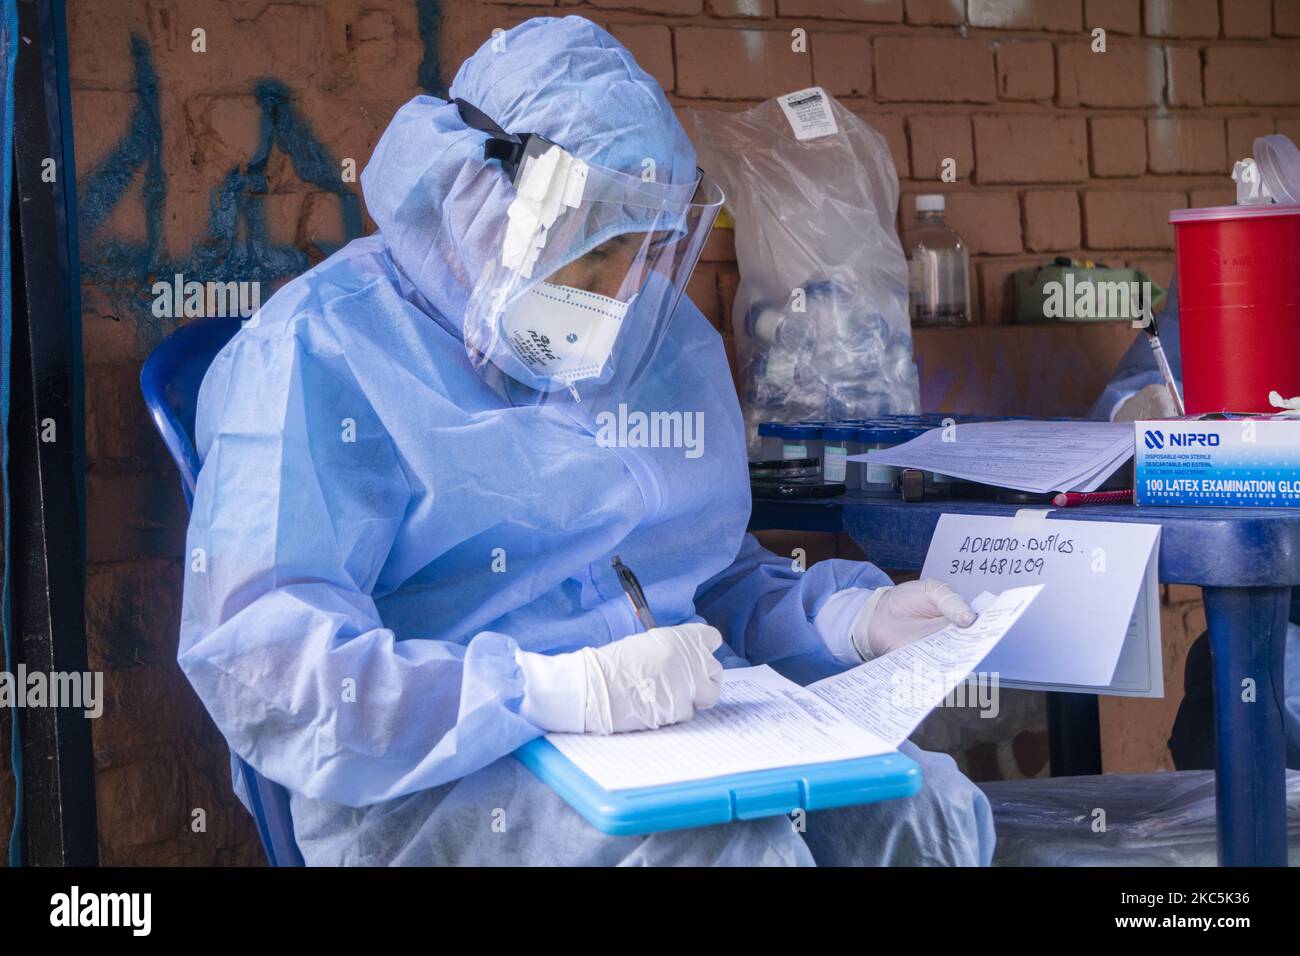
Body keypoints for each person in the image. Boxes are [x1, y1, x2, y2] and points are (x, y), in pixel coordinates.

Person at [178, 15, 993, 866]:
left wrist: (848, 621)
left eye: (645, 251)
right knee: (724, 852)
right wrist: (549, 690)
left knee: (920, 810)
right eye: (596, 250)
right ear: (477, 195)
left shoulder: (658, 341)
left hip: (679, 740)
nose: (622, 293)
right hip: (443, 783)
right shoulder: (320, 350)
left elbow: (696, 580)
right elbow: (268, 658)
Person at [1092, 272, 1300, 771]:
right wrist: (1138, 413)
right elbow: (1134, 393)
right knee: (1225, 719)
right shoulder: (1241, 252)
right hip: (1275, 620)